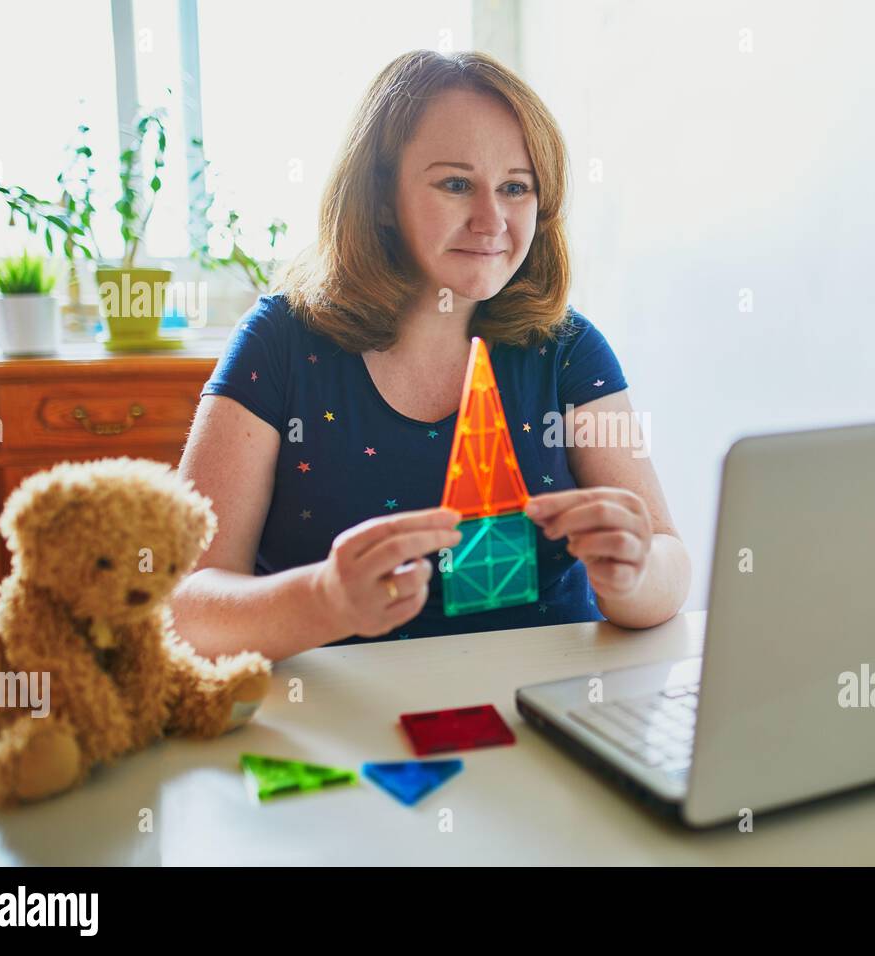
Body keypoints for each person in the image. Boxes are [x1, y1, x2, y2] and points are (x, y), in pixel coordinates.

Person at [172, 50, 690, 663]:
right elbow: (187, 605)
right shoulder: (280, 343)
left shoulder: (568, 349)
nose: (491, 220)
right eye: (455, 184)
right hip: (345, 727)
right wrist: (325, 599)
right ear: (382, 198)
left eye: (515, 188)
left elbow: (668, 559)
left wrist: (633, 575)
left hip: (547, 710)